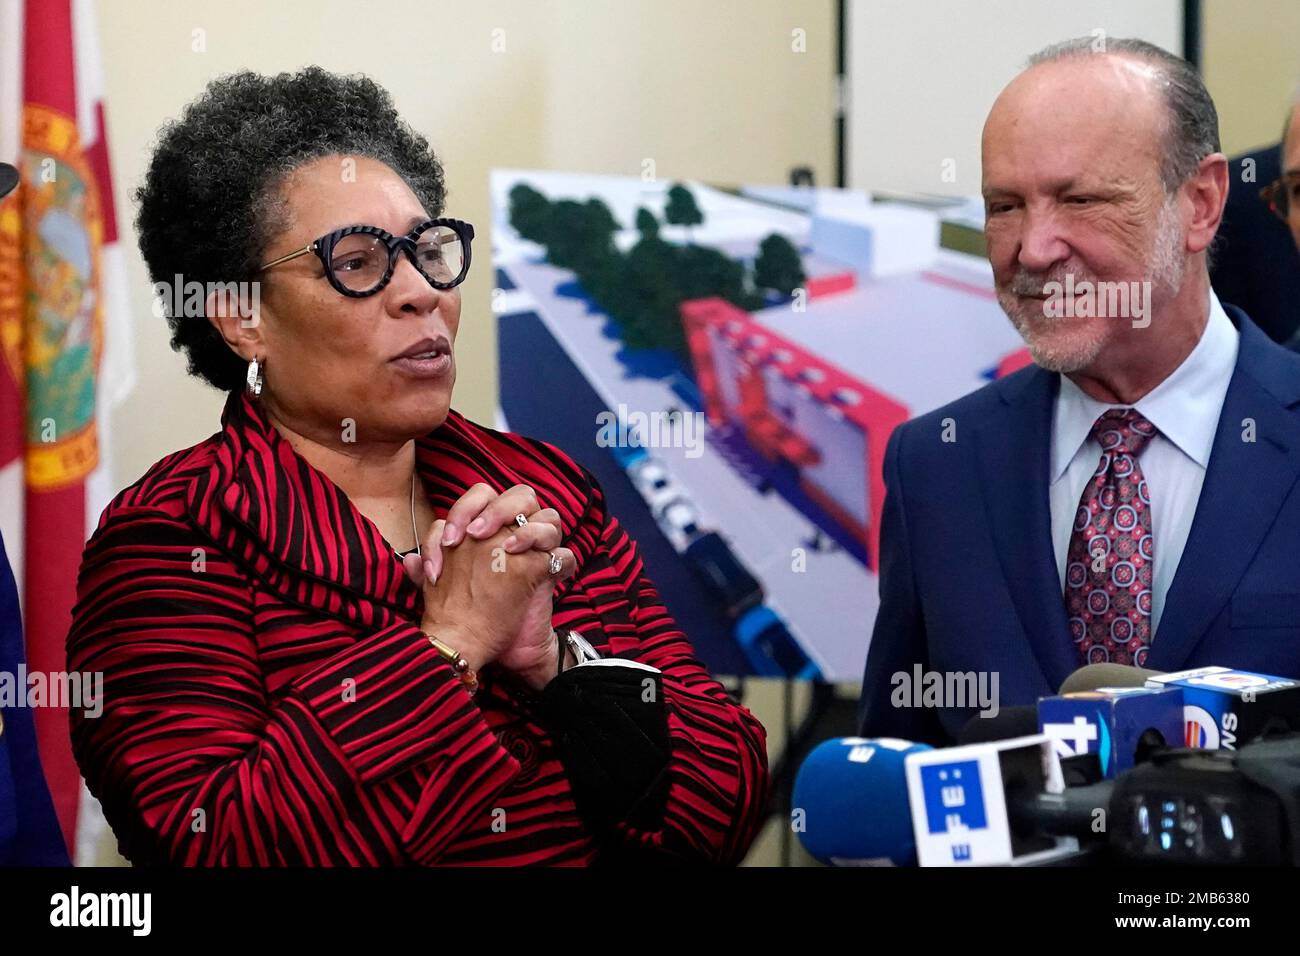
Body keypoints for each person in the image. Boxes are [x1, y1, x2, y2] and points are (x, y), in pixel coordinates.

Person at [67, 69, 768, 865]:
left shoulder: (543, 489)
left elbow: (728, 795)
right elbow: (214, 845)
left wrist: (561, 667)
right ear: (242, 317)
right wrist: (453, 641)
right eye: (358, 262)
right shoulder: (173, 536)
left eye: (430, 252)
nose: (421, 293)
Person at [859, 38, 1300, 745]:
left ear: (1201, 202)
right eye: (1004, 206)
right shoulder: (935, 466)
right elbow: (905, 764)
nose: (1033, 250)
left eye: (1080, 199)